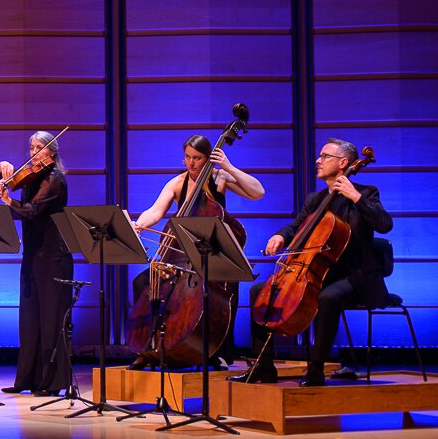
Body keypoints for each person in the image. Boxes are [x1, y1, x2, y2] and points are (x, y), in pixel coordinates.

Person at [234, 138, 392, 387]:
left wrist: (355, 196)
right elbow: (296, 227)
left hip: (354, 276)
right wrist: (280, 235)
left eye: (324, 156)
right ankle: (263, 366)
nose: (318, 161)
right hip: (317, 272)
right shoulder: (315, 200)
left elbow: (385, 224)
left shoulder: (366, 192)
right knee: (258, 291)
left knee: (327, 298)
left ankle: (316, 369)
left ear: (343, 163)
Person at [127, 134, 265, 369]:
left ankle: (216, 351)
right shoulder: (177, 183)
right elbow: (156, 211)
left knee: (225, 287)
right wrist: (140, 223)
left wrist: (228, 166)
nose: (191, 163)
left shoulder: (219, 178)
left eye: (197, 158)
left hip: (211, 257)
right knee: (143, 282)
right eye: (187, 157)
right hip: (181, 258)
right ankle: (149, 348)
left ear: (208, 158)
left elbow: (257, 192)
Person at [0, 131, 73, 396]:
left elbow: (32, 211)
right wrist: (0, 170)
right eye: (31, 147)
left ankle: (51, 382)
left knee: (51, 320)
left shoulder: (54, 179)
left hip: (54, 258)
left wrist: (8, 200)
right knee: (30, 318)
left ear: (52, 153)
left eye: (40, 148)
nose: (34, 152)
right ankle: (27, 379)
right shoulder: (32, 178)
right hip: (34, 255)